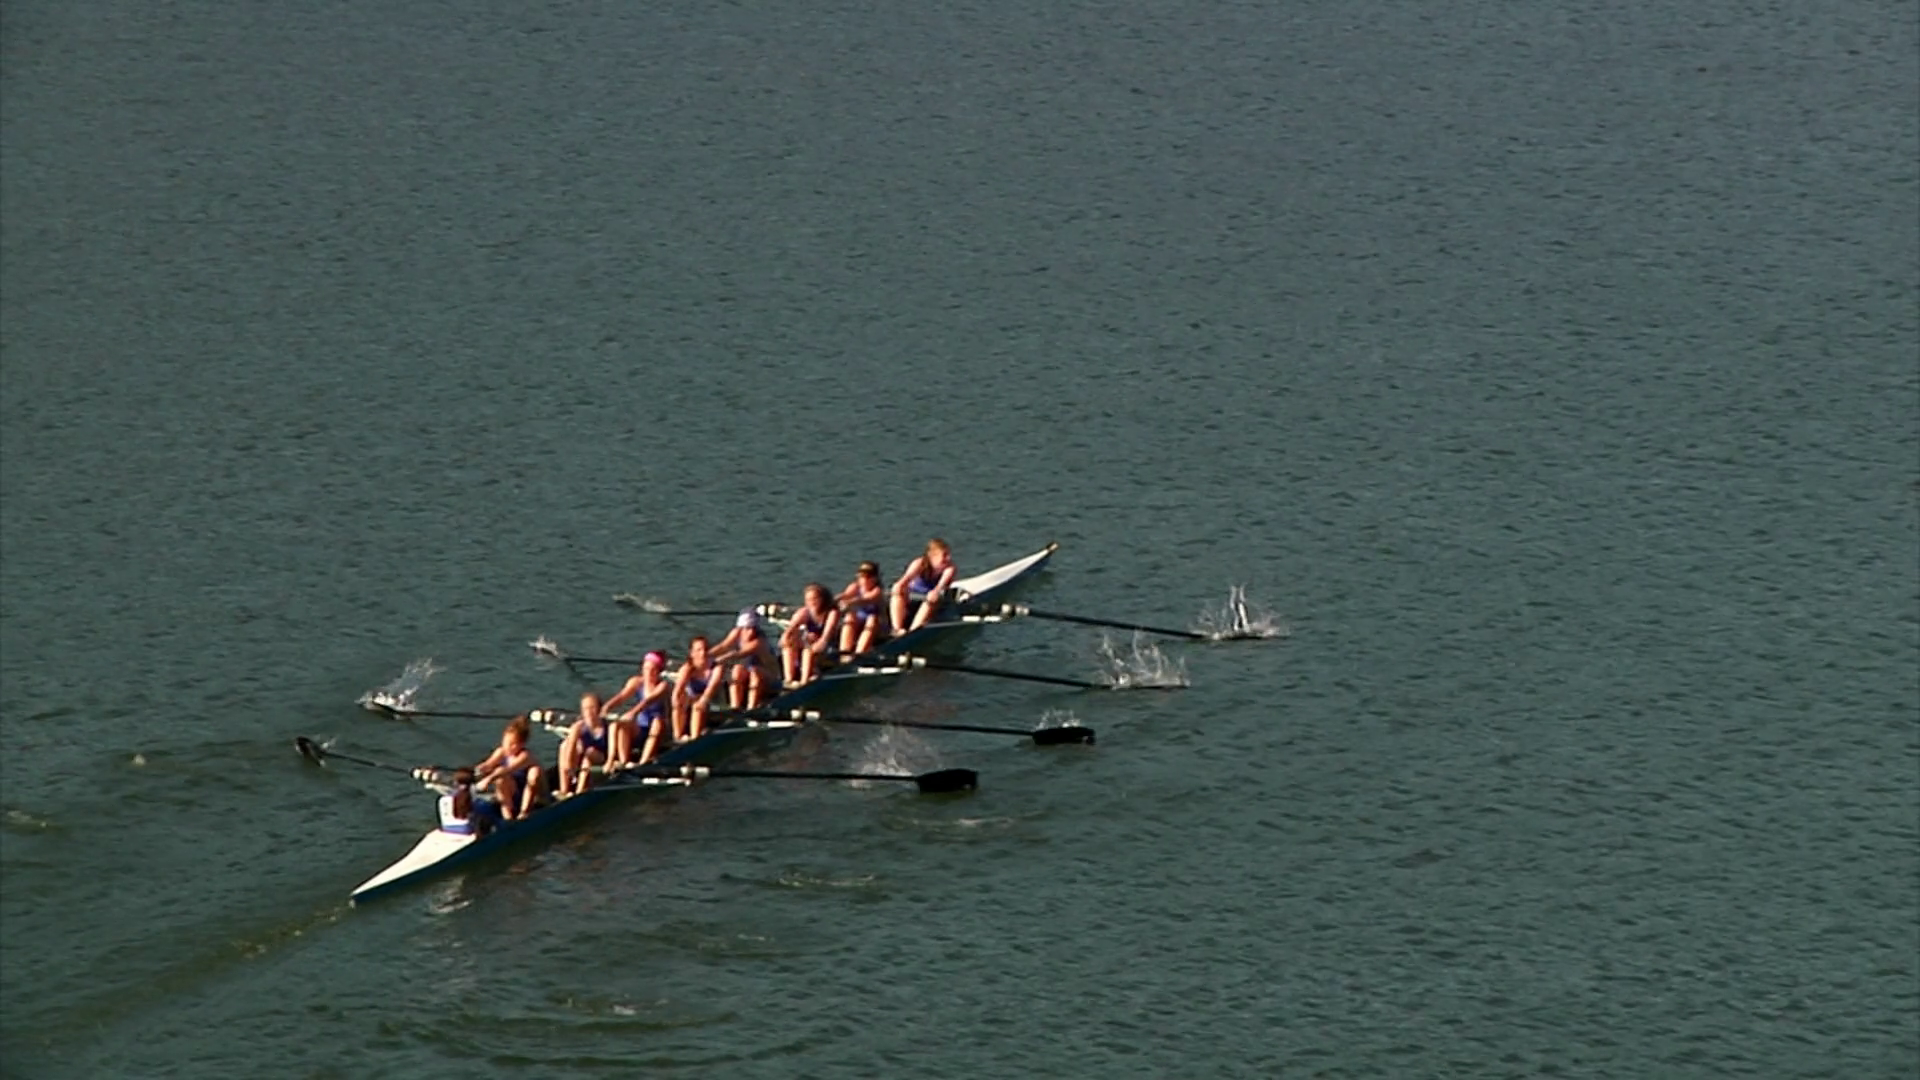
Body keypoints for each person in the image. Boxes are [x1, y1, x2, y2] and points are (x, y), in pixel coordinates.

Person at [603, 650, 672, 766]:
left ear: (659, 671)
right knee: (622, 726)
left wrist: (633, 712)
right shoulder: (636, 682)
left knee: (657, 722)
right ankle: (624, 762)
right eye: (646, 669)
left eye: (653, 669)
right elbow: (621, 696)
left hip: (660, 729)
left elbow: (648, 701)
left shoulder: (663, 686)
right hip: (641, 726)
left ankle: (643, 762)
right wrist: (606, 707)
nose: (648, 673)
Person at [472, 714, 545, 821]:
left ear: (522, 744)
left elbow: (507, 769)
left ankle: (524, 813)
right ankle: (508, 818)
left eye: (512, 744)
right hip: (511, 793)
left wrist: (488, 780)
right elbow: (488, 764)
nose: (507, 746)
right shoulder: (501, 751)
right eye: (505, 742)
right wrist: (478, 770)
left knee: (534, 772)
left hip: (530, 795)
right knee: (500, 779)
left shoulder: (525, 756)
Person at [710, 608, 777, 712]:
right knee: (737, 670)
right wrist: (704, 655)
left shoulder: (759, 642)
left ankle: (752, 709)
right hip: (748, 670)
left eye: (753, 628)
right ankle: (735, 708)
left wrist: (715, 661)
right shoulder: (737, 632)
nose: (750, 632)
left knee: (755, 673)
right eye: (747, 628)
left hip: (769, 675)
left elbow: (737, 654)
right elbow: (723, 646)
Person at [889, 538, 957, 637]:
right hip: (913, 596)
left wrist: (935, 592)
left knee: (931, 599)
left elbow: (939, 588)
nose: (948, 558)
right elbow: (903, 581)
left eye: (948, 555)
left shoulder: (950, 568)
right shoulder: (919, 563)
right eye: (944, 555)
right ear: (932, 556)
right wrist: (897, 587)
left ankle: (913, 632)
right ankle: (897, 629)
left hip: (933, 599)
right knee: (897, 594)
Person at [780, 583, 841, 688]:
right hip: (811, 645)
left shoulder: (832, 613)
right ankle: (789, 680)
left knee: (808, 651)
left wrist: (821, 641)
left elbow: (827, 634)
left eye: (814, 599)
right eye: (808, 599)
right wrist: (786, 637)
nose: (811, 602)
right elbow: (790, 629)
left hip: (829, 648)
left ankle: (804, 683)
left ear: (822, 599)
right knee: (788, 645)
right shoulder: (805, 612)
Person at [556, 692, 610, 798]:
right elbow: (569, 753)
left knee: (588, 754)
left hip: (601, 758)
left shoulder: (607, 726)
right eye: (585, 709)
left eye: (592, 708)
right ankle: (564, 790)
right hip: (583, 760)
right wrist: (569, 766)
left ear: (599, 709)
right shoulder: (578, 727)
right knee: (563, 747)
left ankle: (579, 793)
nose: (589, 712)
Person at [671, 635, 725, 742]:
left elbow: (712, 687)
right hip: (692, 700)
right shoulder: (687, 668)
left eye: (705, 649)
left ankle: (694, 739)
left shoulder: (717, 667)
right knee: (679, 702)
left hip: (712, 701)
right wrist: (676, 701)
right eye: (699, 650)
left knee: (697, 705)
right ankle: (678, 737)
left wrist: (703, 700)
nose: (703, 653)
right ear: (692, 653)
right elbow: (677, 691)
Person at [836, 560, 887, 657]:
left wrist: (850, 602)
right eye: (861, 576)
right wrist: (831, 601)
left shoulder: (877, 591)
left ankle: (859, 654)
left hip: (879, 627)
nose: (864, 580)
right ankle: (844, 653)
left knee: (872, 619)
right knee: (849, 617)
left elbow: (866, 599)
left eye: (868, 577)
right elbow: (845, 595)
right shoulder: (854, 586)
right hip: (859, 623)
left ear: (875, 578)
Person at [436, 768, 499, 839]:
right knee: (487, 811)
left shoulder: (444, 799)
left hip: (446, 828)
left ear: (456, 782)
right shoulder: (472, 797)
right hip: (465, 829)